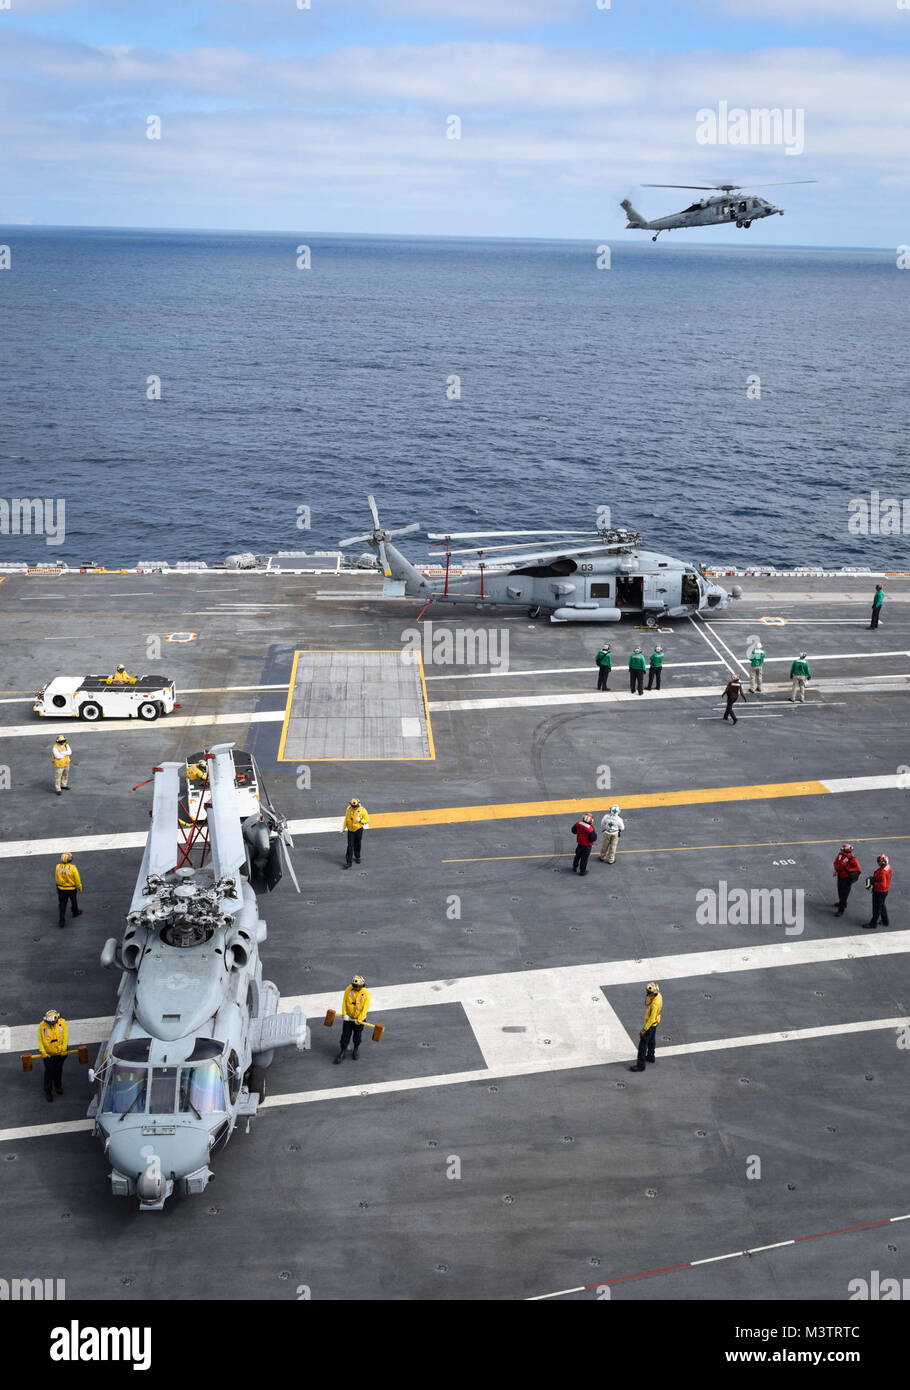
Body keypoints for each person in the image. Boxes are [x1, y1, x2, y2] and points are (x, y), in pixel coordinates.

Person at [334, 975, 370, 1062]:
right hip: (348, 1019)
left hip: (359, 1020)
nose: (354, 987)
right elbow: (344, 1002)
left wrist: (360, 1019)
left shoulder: (365, 993)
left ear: (361, 986)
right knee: (345, 1035)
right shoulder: (348, 989)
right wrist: (344, 1014)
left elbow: (365, 1008)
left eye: (356, 986)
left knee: (357, 1036)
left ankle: (355, 1049)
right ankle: (342, 1051)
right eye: (353, 985)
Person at [629, 983, 662, 1072]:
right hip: (656, 1023)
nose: (648, 994)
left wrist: (644, 1029)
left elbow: (651, 1019)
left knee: (642, 1045)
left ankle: (640, 1065)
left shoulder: (654, 1004)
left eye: (649, 993)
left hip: (650, 1025)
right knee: (651, 1040)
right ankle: (651, 1056)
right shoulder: (659, 996)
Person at [38, 1008, 68, 1102]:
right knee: (49, 1071)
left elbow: (65, 1036)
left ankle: (58, 1086)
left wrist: (64, 1049)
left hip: (60, 1052)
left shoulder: (62, 1023)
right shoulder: (42, 1025)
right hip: (48, 1054)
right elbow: (40, 1039)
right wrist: (43, 1051)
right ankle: (48, 1091)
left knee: (58, 1070)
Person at [55, 852, 83, 928]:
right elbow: (77, 879)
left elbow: (57, 877)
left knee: (62, 904)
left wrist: (58, 885)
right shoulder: (73, 868)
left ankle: (61, 921)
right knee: (74, 901)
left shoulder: (58, 867)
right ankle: (75, 912)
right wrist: (79, 887)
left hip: (61, 888)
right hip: (71, 889)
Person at [833, 843, 861, 916]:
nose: (843, 852)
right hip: (840, 876)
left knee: (844, 894)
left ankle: (841, 910)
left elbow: (857, 868)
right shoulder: (840, 854)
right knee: (839, 890)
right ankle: (842, 902)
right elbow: (836, 862)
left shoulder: (852, 859)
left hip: (846, 878)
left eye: (845, 850)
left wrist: (849, 870)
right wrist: (836, 868)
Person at [864, 854, 892, 929]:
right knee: (882, 906)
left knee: (876, 908)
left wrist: (873, 884)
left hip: (879, 892)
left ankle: (873, 924)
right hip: (885, 891)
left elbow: (882, 884)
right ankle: (885, 921)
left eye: (879, 861)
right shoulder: (888, 867)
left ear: (883, 862)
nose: (878, 862)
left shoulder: (882, 872)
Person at [342, 797, 369, 869]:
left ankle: (357, 856)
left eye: (354, 806)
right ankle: (348, 862)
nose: (352, 807)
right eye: (351, 805)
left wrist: (360, 821)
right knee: (350, 845)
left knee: (357, 843)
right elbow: (346, 819)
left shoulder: (362, 810)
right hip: (350, 830)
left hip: (358, 830)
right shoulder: (349, 809)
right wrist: (343, 828)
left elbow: (367, 820)